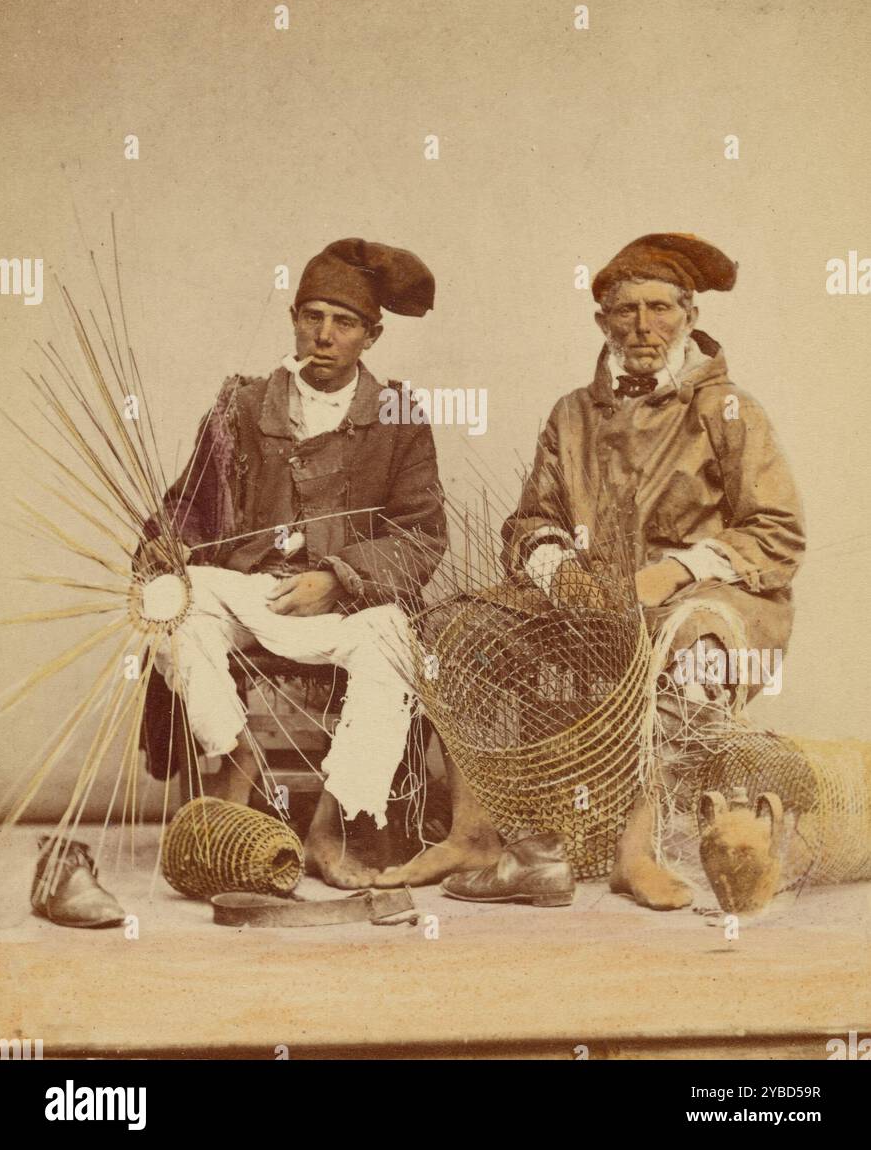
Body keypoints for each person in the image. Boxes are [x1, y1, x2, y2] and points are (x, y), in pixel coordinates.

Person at [495, 232, 805, 908]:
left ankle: (635, 851)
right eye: (626, 310)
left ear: (690, 316)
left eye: (661, 308)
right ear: (602, 321)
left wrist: (678, 571)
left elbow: (777, 533)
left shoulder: (728, 410)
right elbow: (530, 518)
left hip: (706, 602)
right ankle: (495, 841)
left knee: (688, 649)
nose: (644, 326)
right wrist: (555, 570)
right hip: (597, 602)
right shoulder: (572, 414)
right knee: (472, 629)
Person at [140, 238, 447, 888]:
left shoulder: (397, 416)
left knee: (393, 645)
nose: (325, 335)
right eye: (313, 316)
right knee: (179, 603)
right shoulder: (244, 407)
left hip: (345, 604)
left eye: (345, 322)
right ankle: (238, 766)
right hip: (252, 592)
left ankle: (332, 824)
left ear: (373, 334)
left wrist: (338, 575)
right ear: (294, 318)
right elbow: (187, 506)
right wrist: (163, 546)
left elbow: (422, 535)